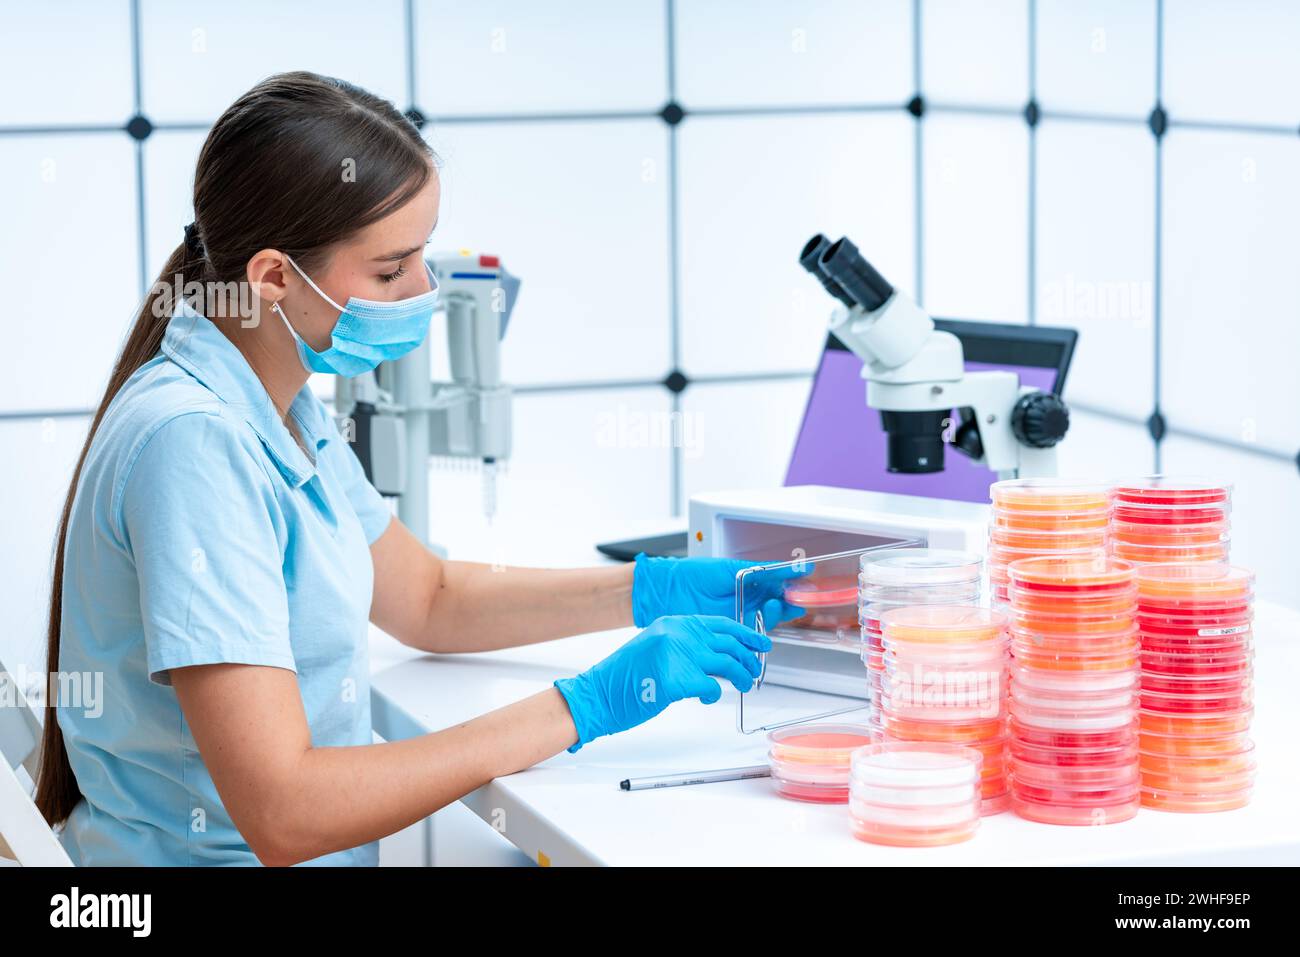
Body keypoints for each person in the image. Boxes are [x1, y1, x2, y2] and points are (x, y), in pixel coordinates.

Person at [36, 72, 800, 866]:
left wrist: (648, 588)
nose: (426, 290)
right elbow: (285, 813)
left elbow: (426, 597)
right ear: (271, 279)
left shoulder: (279, 401)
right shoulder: (194, 444)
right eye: (392, 269)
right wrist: (586, 704)